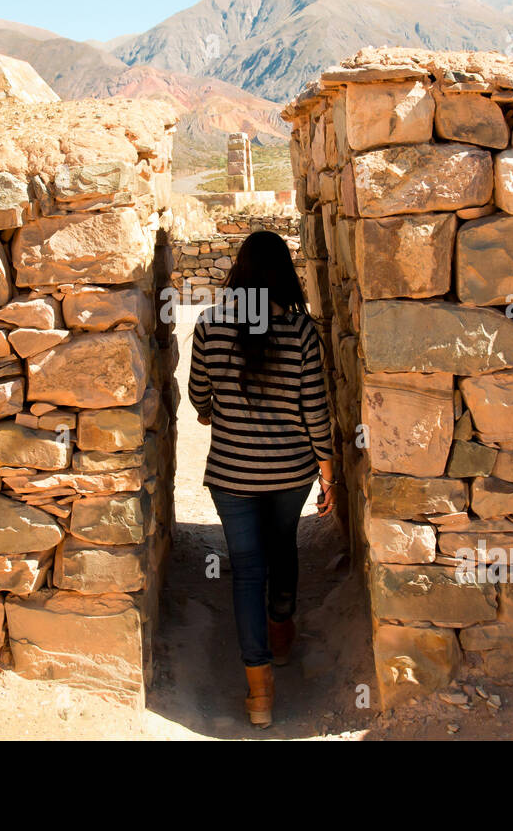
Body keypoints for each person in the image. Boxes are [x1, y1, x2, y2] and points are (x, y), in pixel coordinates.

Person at [187, 230, 336, 728]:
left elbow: (199, 398)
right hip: (292, 470)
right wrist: (328, 471)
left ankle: (259, 692)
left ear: (240, 273)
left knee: (247, 570)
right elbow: (315, 408)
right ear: (284, 275)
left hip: (232, 472)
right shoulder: (301, 332)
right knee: (284, 548)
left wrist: (215, 413)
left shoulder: (210, 326)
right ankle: (281, 632)